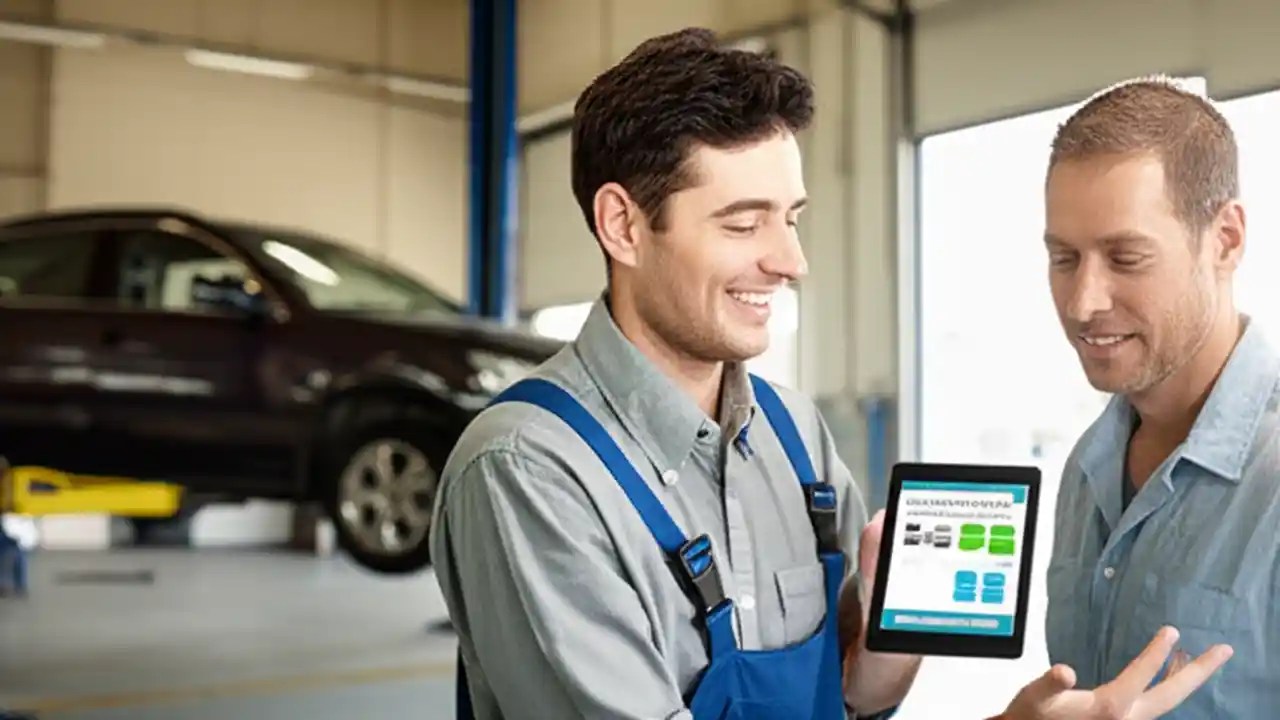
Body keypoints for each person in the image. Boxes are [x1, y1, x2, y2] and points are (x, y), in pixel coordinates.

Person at [430, 32, 1231, 720]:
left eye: (792, 218)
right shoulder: (527, 473)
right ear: (623, 225)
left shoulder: (793, 435)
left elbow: (845, 700)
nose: (790, 261)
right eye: (744, 223)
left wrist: (882, 648)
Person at [1041, 77, 1273, 718]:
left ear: (1225, 239)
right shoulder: (1088, 467)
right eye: (1064, 258)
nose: (1084, 303)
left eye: (1126, 258)